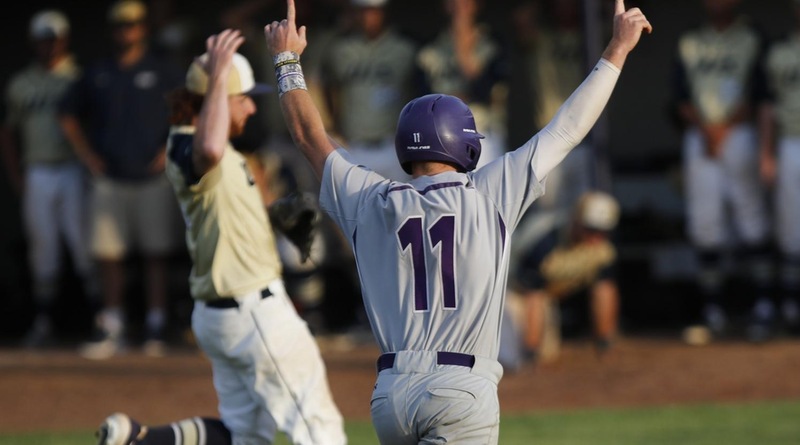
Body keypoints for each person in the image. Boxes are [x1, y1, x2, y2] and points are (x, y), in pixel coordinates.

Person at [264, 0, 650, 442]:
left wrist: (286, 59)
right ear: (463, 146)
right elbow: (567, 128)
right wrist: (617, 49)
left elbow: (308, 136)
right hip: (460, 390)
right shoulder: (491, 192)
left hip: (391, 393)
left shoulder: (371, 199)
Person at [94, 29, 346, 445]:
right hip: (254, 313)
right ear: (217, 99)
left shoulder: (225, 152)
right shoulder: (190, 145)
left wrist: (274, 218)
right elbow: (207, 152)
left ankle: (140, 438)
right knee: (321, 430)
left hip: (224, 316)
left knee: (246, 435)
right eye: (243, 96)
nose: (250, 106)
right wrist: (219, 77)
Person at [59, 0, 184, 358]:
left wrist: (169, 146)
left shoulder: (163, 70)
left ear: (143, 28)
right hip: (109, 177)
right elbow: (66, 114)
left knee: (155, 253)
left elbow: (188, 106)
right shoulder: (98, 72)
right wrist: (87, 155)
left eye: (132, 25)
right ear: (112, 30)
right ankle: (112, 323)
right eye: (119, 26)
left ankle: (156, 323)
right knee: (108, 254)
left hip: (151, 175)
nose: (125, 31)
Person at [671, 0, 773, 344]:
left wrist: (724, 129)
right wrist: (707, 129)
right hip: (700, 136)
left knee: (751, 216)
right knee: (706, 222)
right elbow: (679, 97)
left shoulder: (751, 37)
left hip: (739, 133)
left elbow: (760, 93)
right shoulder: (690, 41)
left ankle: (764, 307)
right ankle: (713, 311)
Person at [0, 10, 95, 347]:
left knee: (84, 244)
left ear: (64, 39)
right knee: (44, 249)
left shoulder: (79, 77)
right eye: (42, 39)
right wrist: (16, 176)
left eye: (53, 38)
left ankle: (100, 318)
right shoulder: (20, 83)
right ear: (33, 42)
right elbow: (8, 132)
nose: (48, 45)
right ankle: (43, 321)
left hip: (72, 169)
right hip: (38, 170)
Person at [509, 191, 621, 367]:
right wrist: (530, 349)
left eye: (603, 231)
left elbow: (604, 288)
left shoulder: (602, 250)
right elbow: (532, 294)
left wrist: (604, 342)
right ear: (576, 221)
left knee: (548, 355)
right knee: (517, 358)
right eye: (591, 229)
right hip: (512, 293)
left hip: (545, 295)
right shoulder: (545, 241)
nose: (596, 237)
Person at [321, 0, 419, 181]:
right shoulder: (340, 49)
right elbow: (327, 86)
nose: (368, 18)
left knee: (401, 205)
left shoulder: (405, 48)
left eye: (373, 12)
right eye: (363, 12)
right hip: (354, 145)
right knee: (353, 207)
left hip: (394, 145)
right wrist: (334, 125)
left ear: (384, 12)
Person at [416, 0, 508, 168]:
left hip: (483, 134)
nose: (460, 6)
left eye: (466, 2)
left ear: (476, 5)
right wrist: (456, 100)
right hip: (444, 138)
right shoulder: (430, 48)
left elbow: (486, 93)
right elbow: (422, 97)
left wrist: (464, 51)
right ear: (445, 5)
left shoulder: (493, 44)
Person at [756, 0, 800, 337]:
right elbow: (767, 106)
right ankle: (790, 306)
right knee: (790, 228)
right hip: (791, 142)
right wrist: (766, 153)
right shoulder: (779, 51)